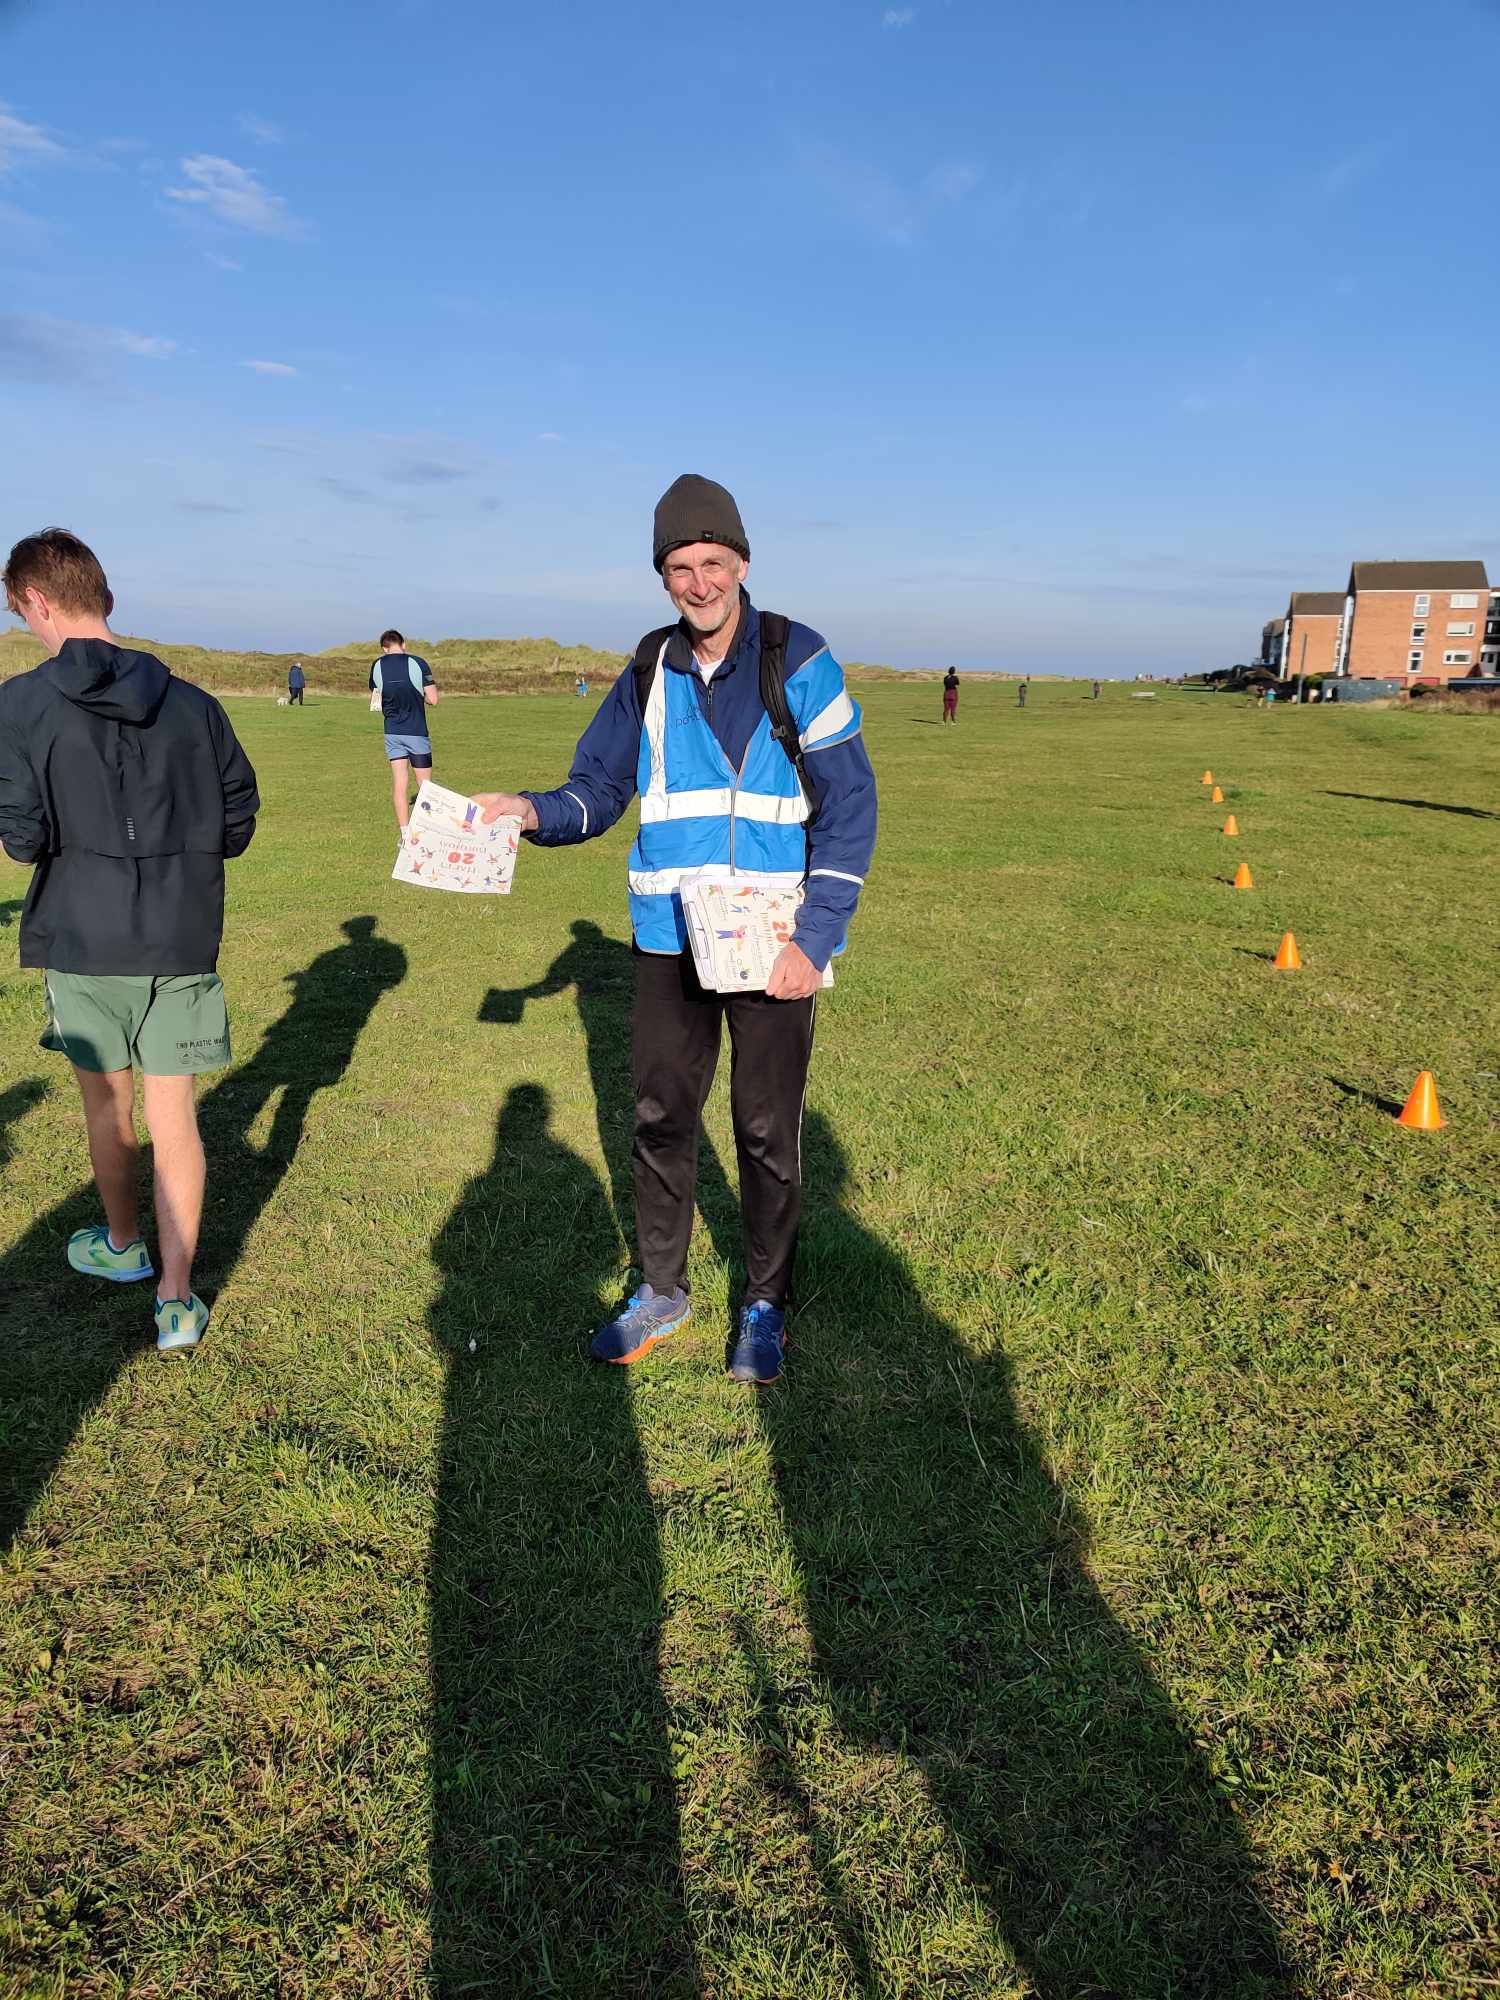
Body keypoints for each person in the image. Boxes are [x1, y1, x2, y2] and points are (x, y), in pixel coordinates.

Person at [474, 473, 877, 1387]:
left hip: (773, 941)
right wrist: (528, 810)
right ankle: (662, 1289)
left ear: (742, 563)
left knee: (767, 1129)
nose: (700, 583)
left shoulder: (797, 656)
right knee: (660, 1118)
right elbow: (598, 788)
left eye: (713, 563)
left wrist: (814, 939)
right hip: (667, 937)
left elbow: (851, 804)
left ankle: (764, 1302)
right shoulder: (649, 666)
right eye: (680, 568)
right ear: (663, 577)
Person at [0, 528, 259, 1352]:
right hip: (181, 934)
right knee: (174, 1116)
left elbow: (22, 838)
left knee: (108, 1110)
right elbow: (239, 816)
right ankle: (176, 1298)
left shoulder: (19, 704)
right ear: (103, 596)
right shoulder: (196, 703)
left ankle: (122, 1244)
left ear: (35, 602)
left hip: (85, 938)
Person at [369, 628, 437, 830]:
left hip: (392, 732)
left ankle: (405, 833)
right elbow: (433, 699)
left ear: (384, 648)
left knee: (399, 784)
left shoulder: (377, 665)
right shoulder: (417, 662)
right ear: (403, 644)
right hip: (416, 731)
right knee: (425, 786)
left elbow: (377, 695)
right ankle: (427, 829)